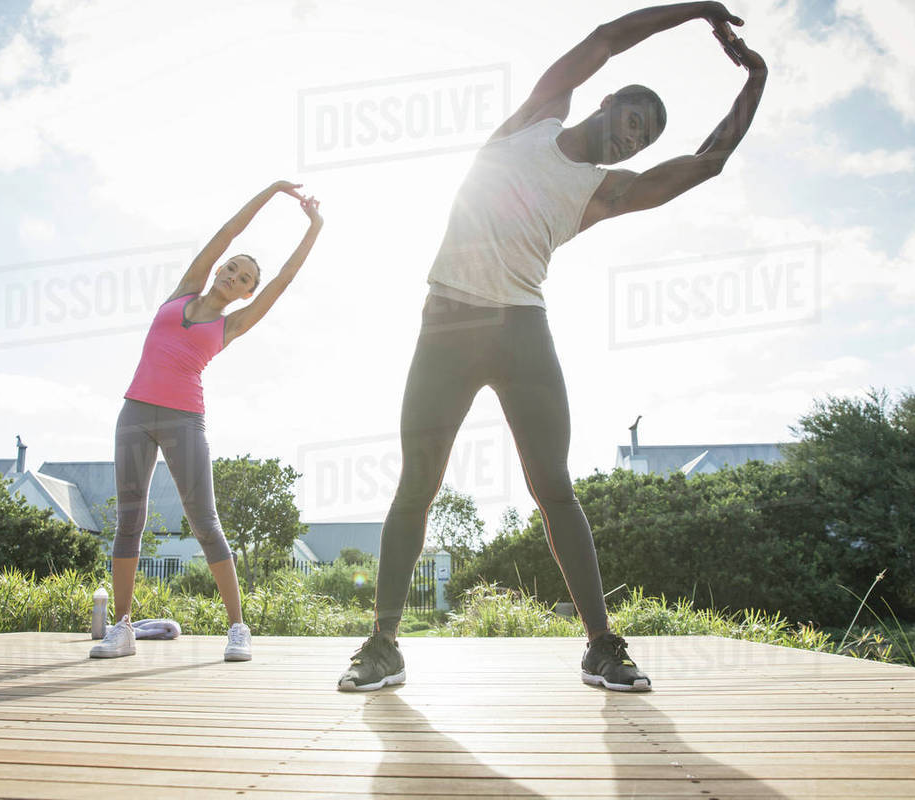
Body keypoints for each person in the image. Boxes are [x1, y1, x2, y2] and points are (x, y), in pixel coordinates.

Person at [338, 1, 766, 692]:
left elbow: (709, 162)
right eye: (634, 122)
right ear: (604, 104)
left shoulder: (605, 193)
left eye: (647, 138)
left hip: (521, 334)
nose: (636, 140)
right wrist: (697, 12)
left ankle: (603, 645)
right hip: (445, 325)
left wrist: (756, 78)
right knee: (416, 484)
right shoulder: (533, 120)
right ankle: (382, 644)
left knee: (553, 489)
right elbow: (605, 38)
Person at [92, 180, 323, 660]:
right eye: (231, 268)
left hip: (184, 420)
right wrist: (275, 190)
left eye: (243, 279)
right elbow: (227, 231)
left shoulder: (232, 323)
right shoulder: (182, 292)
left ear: (245, 294)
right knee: (128, 520)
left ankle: (238, 627)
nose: (233, 276)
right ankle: (122, 628)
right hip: (134, 413)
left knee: (205, 523)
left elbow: (283, 280)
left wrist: (314, 226)